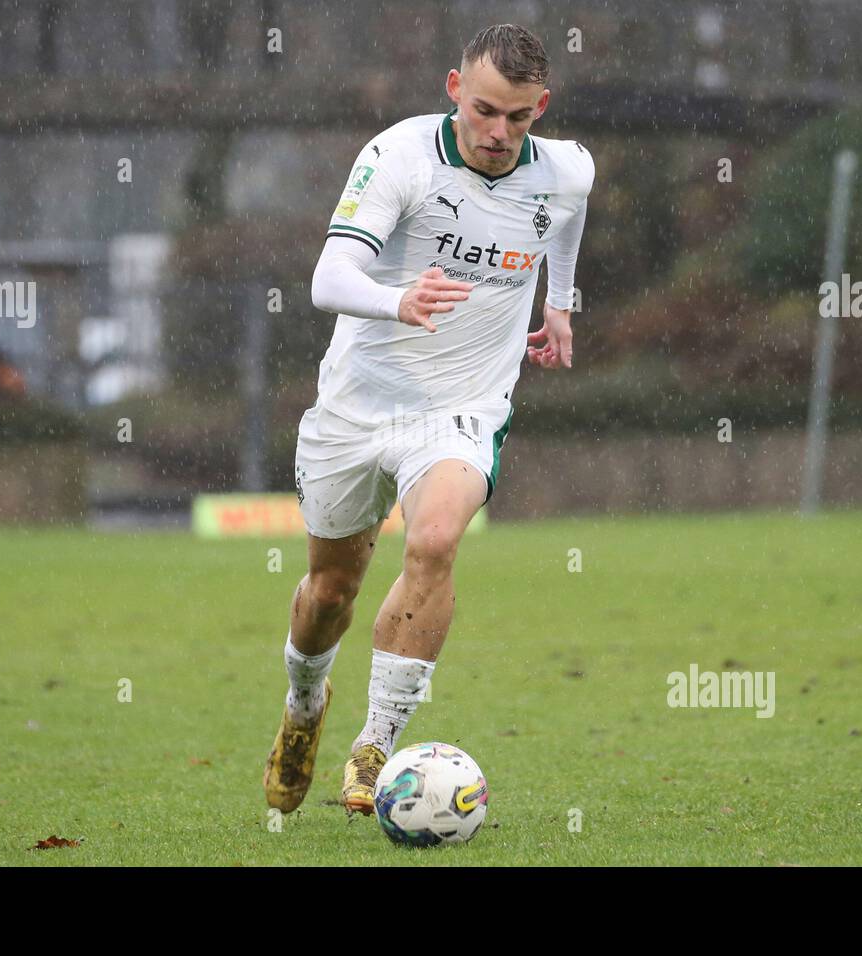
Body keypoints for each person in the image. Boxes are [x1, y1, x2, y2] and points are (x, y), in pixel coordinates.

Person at [263, 23, 594, 816]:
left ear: (539, 108)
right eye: (484, 111)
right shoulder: (398, 156)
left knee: (437, 538)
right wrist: (397, 300)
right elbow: (328, 277)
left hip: (461, 407)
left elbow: (567, 221)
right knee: (328, 591)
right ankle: (305, 706)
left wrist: (560, 302)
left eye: (518, 118)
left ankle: (375, 748)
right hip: (358, 404)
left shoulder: (568, 171)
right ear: (454, 89)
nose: (497, 133)